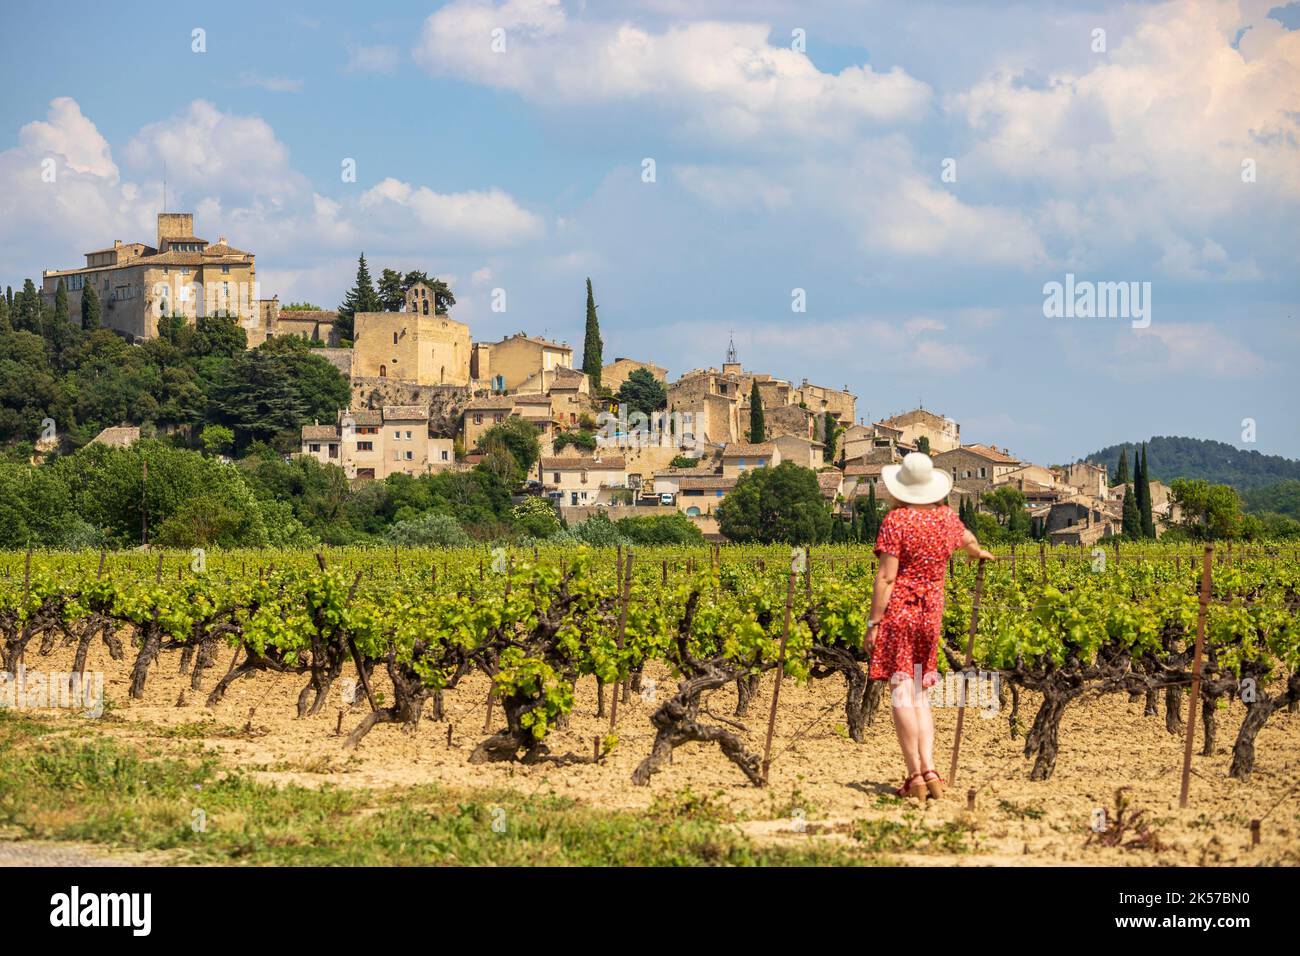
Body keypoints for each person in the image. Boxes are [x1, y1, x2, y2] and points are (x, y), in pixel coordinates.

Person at [865, 452, 993, 802]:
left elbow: (887, 576)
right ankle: (931, 768)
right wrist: (976, 553)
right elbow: (968, 539)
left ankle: (915, 775)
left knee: (902, 694)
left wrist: (874, 623)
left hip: (900, 613)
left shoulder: (896, 521)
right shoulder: (947, 519)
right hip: (930, 615)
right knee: (921, 693)